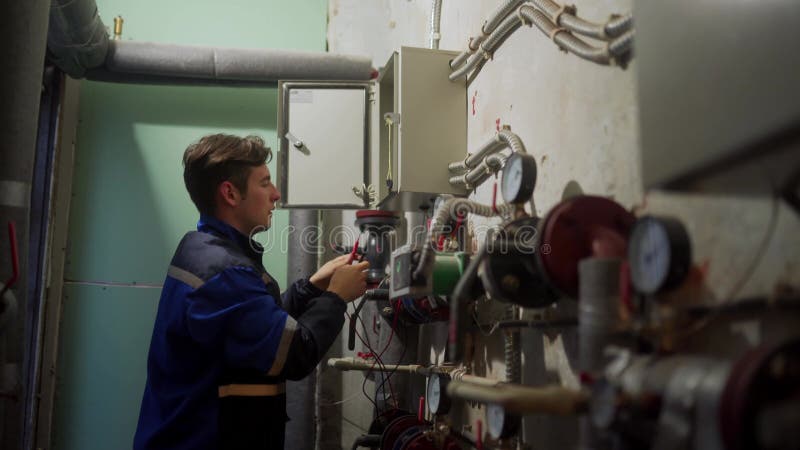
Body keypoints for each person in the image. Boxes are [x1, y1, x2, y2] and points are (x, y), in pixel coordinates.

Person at [133, 134, 368, 450]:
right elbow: (294, 354)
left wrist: (312, 287)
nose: (276, 194)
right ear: (230, 193)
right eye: (265, 183)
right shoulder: (225, 272)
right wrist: (336, 297)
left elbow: (253, 326)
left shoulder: (203, 251)